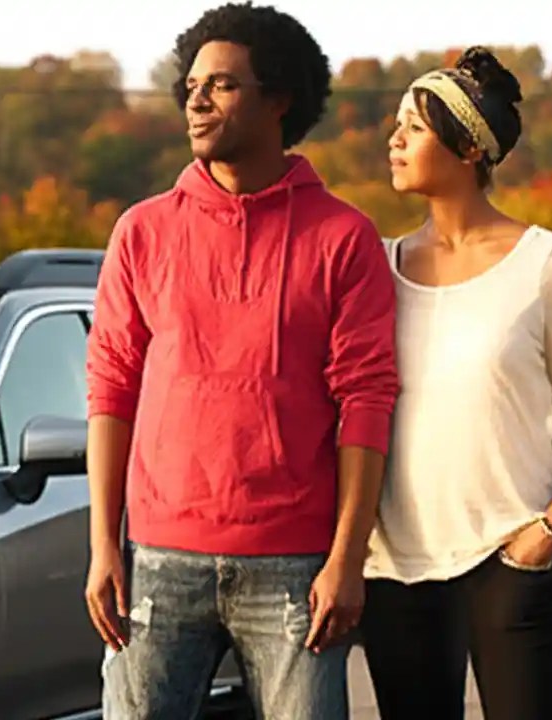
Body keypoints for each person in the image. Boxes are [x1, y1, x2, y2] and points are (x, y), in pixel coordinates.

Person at [82, 3, 400, 718]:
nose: (197, 99)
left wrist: (347, 560)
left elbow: (368, 401)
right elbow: (111, 388)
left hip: (296, 569)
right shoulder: (142, 231)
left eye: (222, 85)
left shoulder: (345, 238)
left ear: (279, 98)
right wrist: (104, 546)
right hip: (156, 562)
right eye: (191, 85)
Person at [360, 47, 552, 720]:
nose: (394, 140)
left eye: (412, 127)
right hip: (395, 571)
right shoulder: (374, 269)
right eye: (396, 124)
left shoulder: (548, 264)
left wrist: (548, 534)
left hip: (512, 564)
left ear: (468, 146)